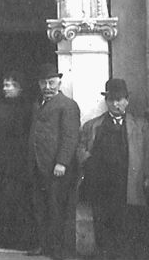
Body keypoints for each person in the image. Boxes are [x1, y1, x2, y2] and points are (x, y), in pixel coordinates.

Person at [78, 78, 149, 260]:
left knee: (127, 225)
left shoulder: (140, 126)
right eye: (111, 100)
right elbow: (80, 147)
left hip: (127, 184)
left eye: (120, 99)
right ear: (106, 101)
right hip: (101, 185)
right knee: (102, 224)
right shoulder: (93, 125)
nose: (116, 104)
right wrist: (88, 161)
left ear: (127, 100)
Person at [27, 62, 80, 260]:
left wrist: (62, 162)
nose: (47, 87)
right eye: (43, 83)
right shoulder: (37, 104)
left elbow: (70, 136)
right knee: (40, 207)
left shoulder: (68, 105)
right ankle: (44, 246)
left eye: (51, 82)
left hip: (56, 167)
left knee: (57, 208)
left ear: (59, 82)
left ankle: (59, 250)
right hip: (37, 165)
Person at [0, 70, 34, 250]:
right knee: (4, 197)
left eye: (10, 85)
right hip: (3, 156)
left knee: (20, 198)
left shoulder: (28, 107)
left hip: (21, 157)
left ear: (19, 88)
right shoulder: (0, 107)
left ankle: (21, 239)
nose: (6, 89)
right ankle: (4, 238)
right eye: (4, 85)